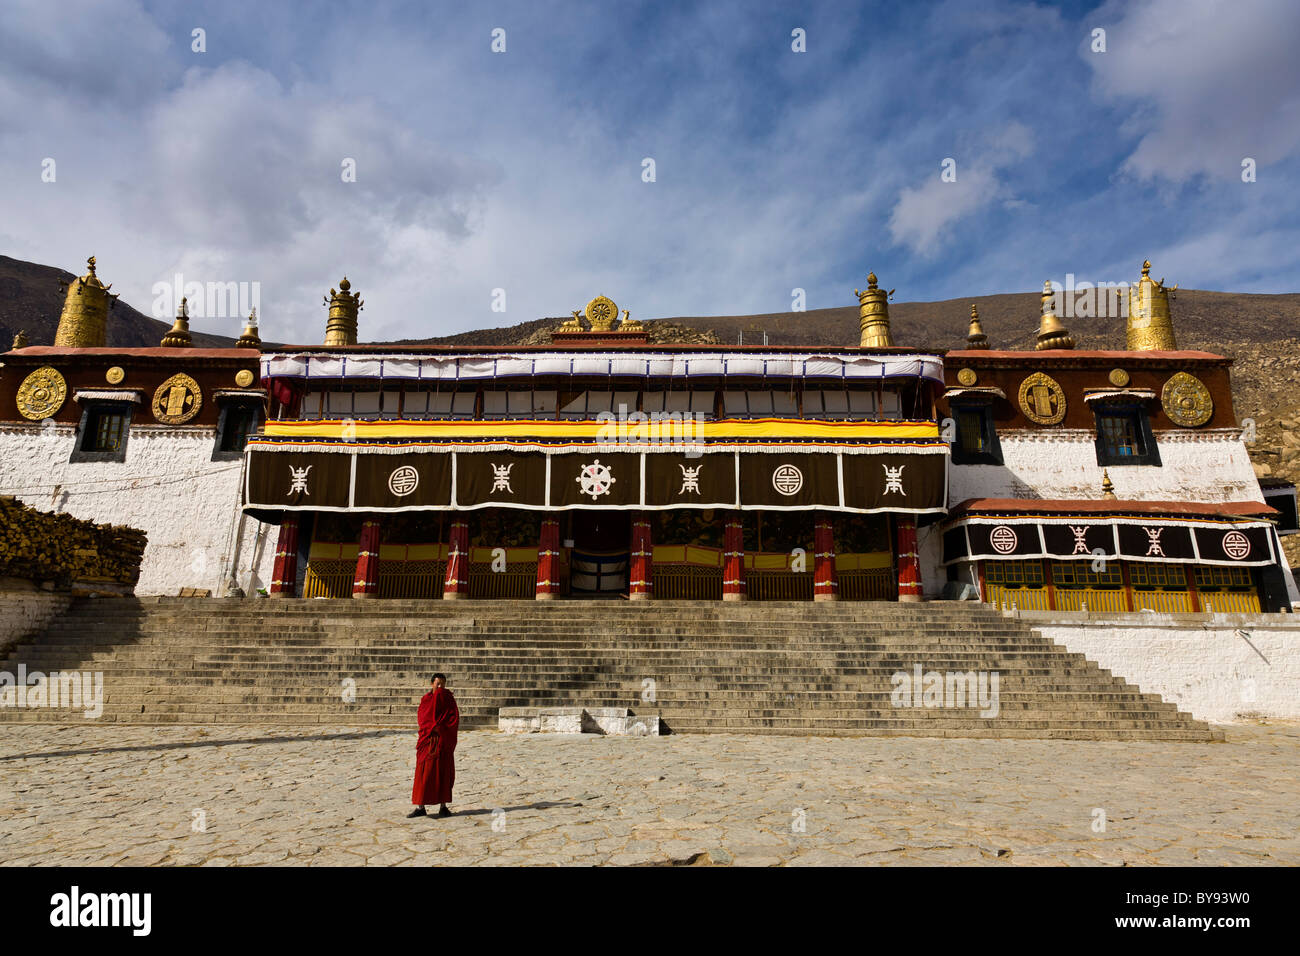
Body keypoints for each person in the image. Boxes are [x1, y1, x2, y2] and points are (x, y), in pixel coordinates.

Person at [409, 673, 459, 819]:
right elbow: (422, 717)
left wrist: (441, 728)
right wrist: (432, 727)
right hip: (428, 741)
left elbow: (453, 718)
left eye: (443, 684)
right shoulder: (426, 699)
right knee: (424, 772)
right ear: (431, 684)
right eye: (438, 684)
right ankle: (420, 807)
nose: (440, 687)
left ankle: (443, 806)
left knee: (442, 772)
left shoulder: (448, 698)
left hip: (442, 741)